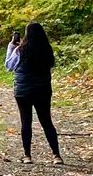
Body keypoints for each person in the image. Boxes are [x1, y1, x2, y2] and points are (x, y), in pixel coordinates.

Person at [10, 22, 62, 164]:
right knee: (47, 122)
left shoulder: (20, 50)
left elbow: (9, 66)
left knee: (26, 122)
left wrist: (11, 46)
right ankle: (56, 155)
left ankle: (27, 155)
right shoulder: (47, 50)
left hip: (23, 91)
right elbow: (51, 65)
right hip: (42, 90)